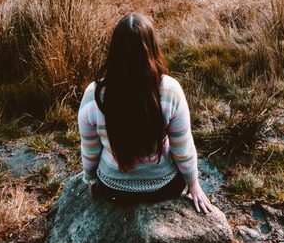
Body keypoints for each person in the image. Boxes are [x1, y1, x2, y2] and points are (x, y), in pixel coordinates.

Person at [78, 13, 215, 214]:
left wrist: (90, 178)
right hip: (165, 187)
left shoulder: (94, 94)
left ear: (114, 51)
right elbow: (182, 147)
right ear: (152, 48)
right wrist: (193, 183)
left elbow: (90, 149)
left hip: (114, 189)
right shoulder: (170, 90)